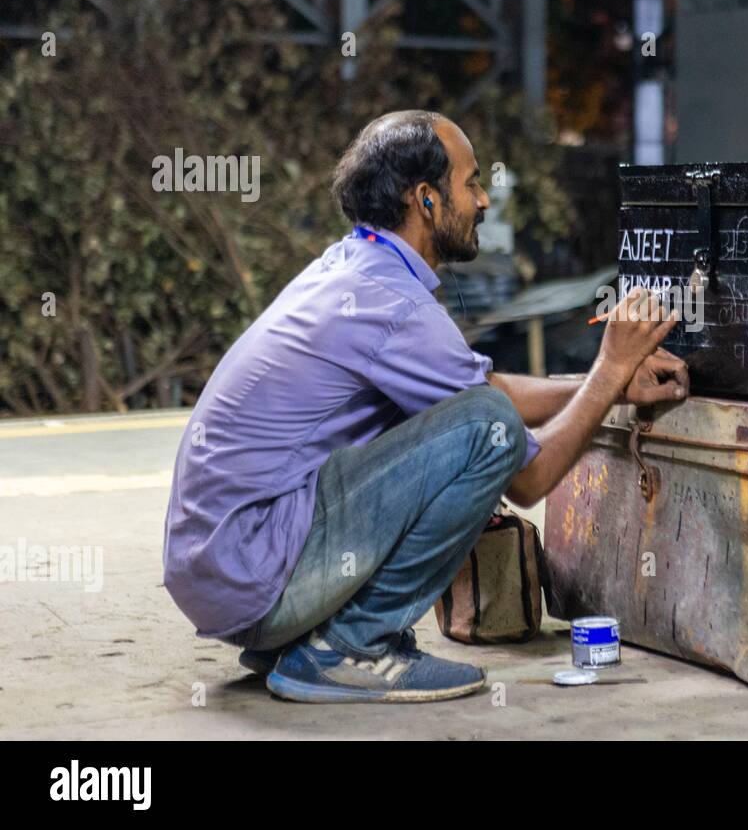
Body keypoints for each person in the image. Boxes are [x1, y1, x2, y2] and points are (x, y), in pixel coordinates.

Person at [163, 110, 688, 703]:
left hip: (222, 575)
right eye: (469, 182)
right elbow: (523, 469)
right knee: (489, 428)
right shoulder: (391, 303)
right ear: (427, 200)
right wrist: (613, 366)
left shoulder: (351, 266)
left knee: (481, 414)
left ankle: (307, 639)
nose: (484, 199)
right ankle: (352, 647)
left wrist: (605, 381)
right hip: (255, 572)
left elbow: (479, 388)